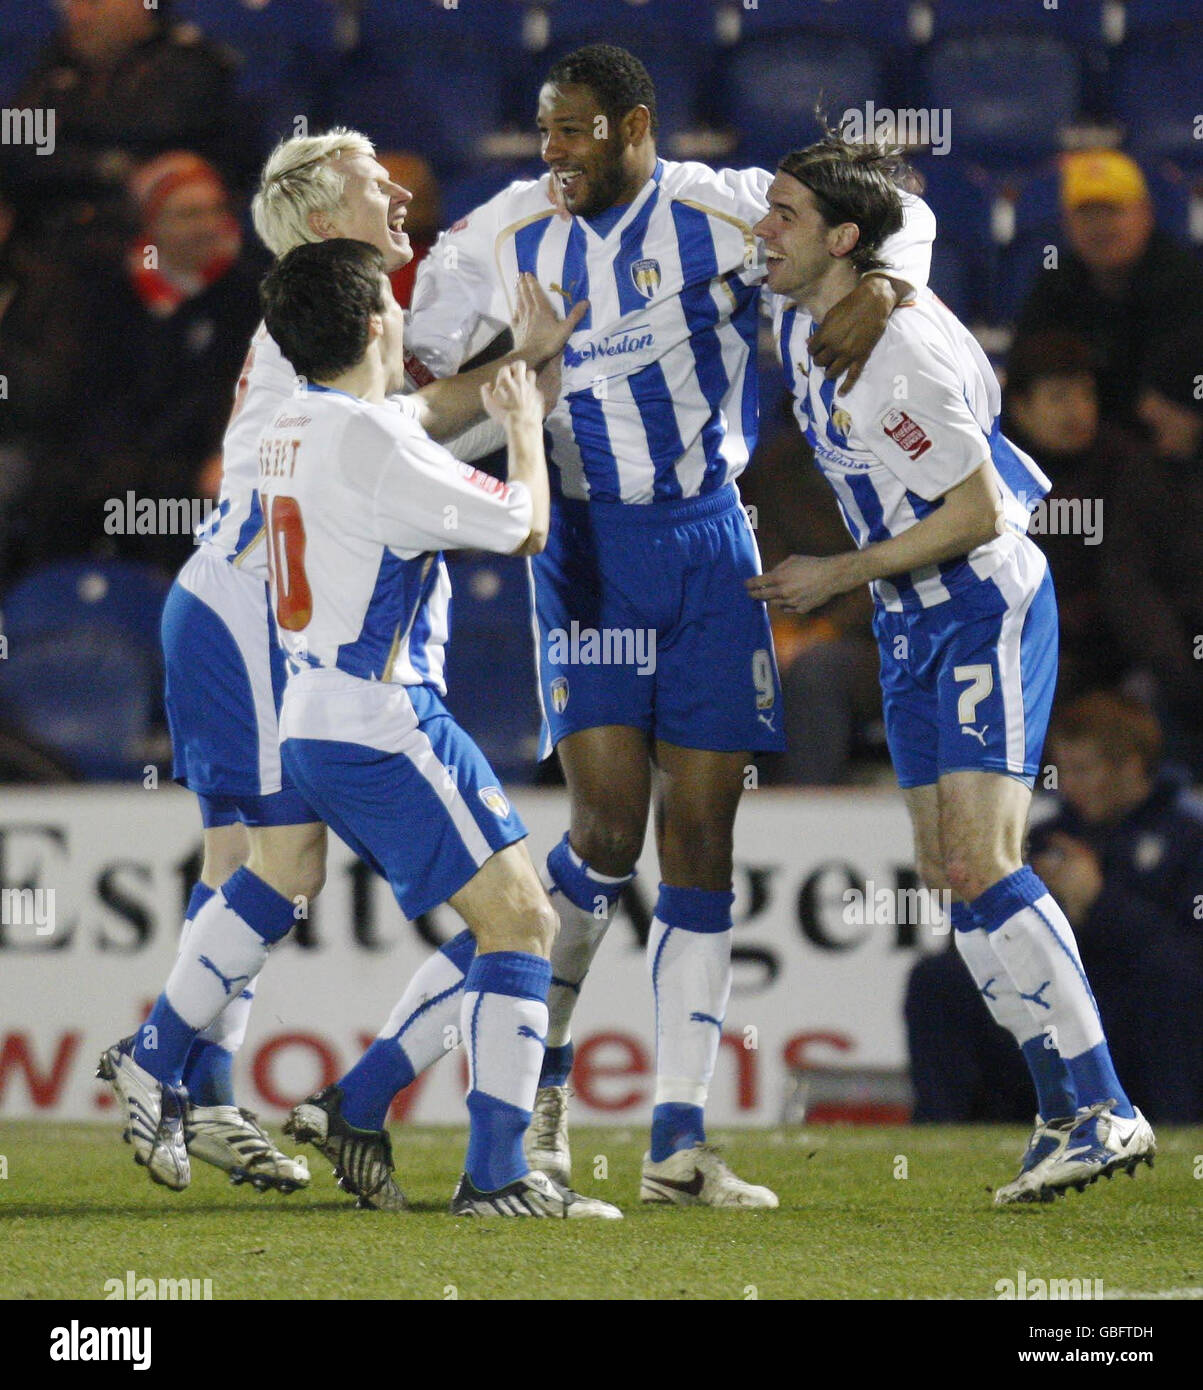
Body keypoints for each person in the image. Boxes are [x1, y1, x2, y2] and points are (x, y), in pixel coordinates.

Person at [407, 42, 935, 1207]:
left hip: (707, 545)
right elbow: (418, 370)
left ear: (636, 126)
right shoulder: (504, 232)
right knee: (602, 832)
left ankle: (677, 1145)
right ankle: (534, 1104)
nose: (553, 154)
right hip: (586, 552)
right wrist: (497, 388)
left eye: (575, 132)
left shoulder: (721, 211)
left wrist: (888, 285)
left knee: (702, 841)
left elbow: (900, 215)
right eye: (544, 130)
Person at [97, 129, 578, 1194]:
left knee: (263, 867)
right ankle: (171, 1067)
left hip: (252, 614)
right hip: (249, 612)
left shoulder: (316, 347)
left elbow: (410, 420)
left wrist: (521, 366)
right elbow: (408, 436)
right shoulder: (316, 328)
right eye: (373, 184)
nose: (398, 193)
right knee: (278, 867)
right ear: (321, 219)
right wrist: (527, 402)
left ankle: (201, 1084)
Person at [750, 132, 1154, 1204]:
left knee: (983, 859)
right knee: (947, 873)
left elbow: (981, 513)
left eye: (784, 215)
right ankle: (1064, 1108)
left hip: (978, 599)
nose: (763, 230)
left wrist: (839, 570)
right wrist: (873, 266)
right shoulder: (834, 289)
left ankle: (1105, 1104)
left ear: (840, 238)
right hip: (907, 615)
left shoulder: (903, 358)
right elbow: (909, 218)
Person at [1030, 693, 1203, 1123]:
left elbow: (1184, 961)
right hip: (1069, 1002)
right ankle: (951, 1128)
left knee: (1168, 987)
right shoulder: (1050, 838)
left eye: (1083, 770)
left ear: (1130, 767)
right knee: (940, 982)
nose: (1068, 785)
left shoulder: (1188, 835)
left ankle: (1175, 1126)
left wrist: (1098, 901)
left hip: (1150, 1007)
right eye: (1062, 770)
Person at [1016, 149, 1203, 430]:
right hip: (1082, 446)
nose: (1100, 227)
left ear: (1145, 214)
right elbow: (1028, 367)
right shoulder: (1055, 283)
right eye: (1087, 214)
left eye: (1112, 211)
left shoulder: (1187, 282)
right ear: (1067, 224)